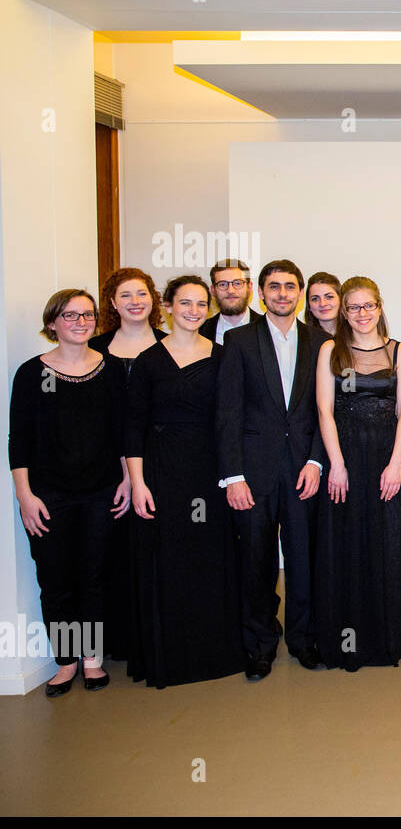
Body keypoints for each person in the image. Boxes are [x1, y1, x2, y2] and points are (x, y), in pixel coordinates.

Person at [9, 289, 130, 696]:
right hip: (49, 496)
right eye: (70, 315)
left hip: (102, 492)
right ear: (53, 323)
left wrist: (128, 480)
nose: (81, 322)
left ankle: (92, 660)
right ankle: (65, 662)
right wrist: (25, 495)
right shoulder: (32, 373)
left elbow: (124, 433)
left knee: (93, 576)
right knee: (56, 579)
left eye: (87, 315)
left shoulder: (111, 370)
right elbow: (19, 438)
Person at [125, 276, 243, 688]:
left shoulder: (225, 356)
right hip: (162, 471)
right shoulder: (148, 360)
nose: (193, 310)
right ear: (169, 306)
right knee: (167, 559)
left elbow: (232, 419)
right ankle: (169, 656)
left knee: (210, 558)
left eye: (200, 304)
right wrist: (137, 482)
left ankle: (214, 653)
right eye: (185, 303)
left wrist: (233, 475)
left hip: (210, 470)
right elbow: (133, 426)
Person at [215, 259, 326, 680]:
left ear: (300, 294)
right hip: (253, 476)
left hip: (304, 471)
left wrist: (317, 460)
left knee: (303, 561)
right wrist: (232, 476)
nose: (282, 294)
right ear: (261, 292)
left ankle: (303, 639)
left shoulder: (319, 342)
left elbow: (325, 411)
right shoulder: (239, 341)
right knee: (256, 563)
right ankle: (259, 645)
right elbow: (227, 412)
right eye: (274, 287)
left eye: (290, 286)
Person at [314, 277, 401, 669]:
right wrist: (337, 463)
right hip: (345, 458)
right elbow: (325, 409)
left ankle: (389, 635)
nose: (362, 314)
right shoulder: (332, 350)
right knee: (348, 542)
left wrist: (396, 463)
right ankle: (348, 639)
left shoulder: (400, 353)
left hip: (387, 457)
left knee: (389, 541)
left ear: (379, 307)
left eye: (368, 306)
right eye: (353, 307)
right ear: (344, 313)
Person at [88, 266, 167, 661]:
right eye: (126, 295)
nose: (136, 302)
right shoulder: (95, 349)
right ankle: (115, 647)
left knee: (158, 554)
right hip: (106, 470)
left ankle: (156, 640)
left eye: (142, 294)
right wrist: (123, 473)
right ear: (113, 303)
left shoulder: (173, 345)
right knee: (110, 557)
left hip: (163, 464)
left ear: (153, 300)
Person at [200, 259, 263, 344]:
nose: (230, 290)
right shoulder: (200, 331)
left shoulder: (266, 328)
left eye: (237, 283)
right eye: (222, 284)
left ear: (250, 287)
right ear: (212, 290)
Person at [305, 271, 341, 337]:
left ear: (340, 299)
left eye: (329, 297)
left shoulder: (356, 336)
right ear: (309, 305)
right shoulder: (300, 338)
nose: (322, 304)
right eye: (315, 299)